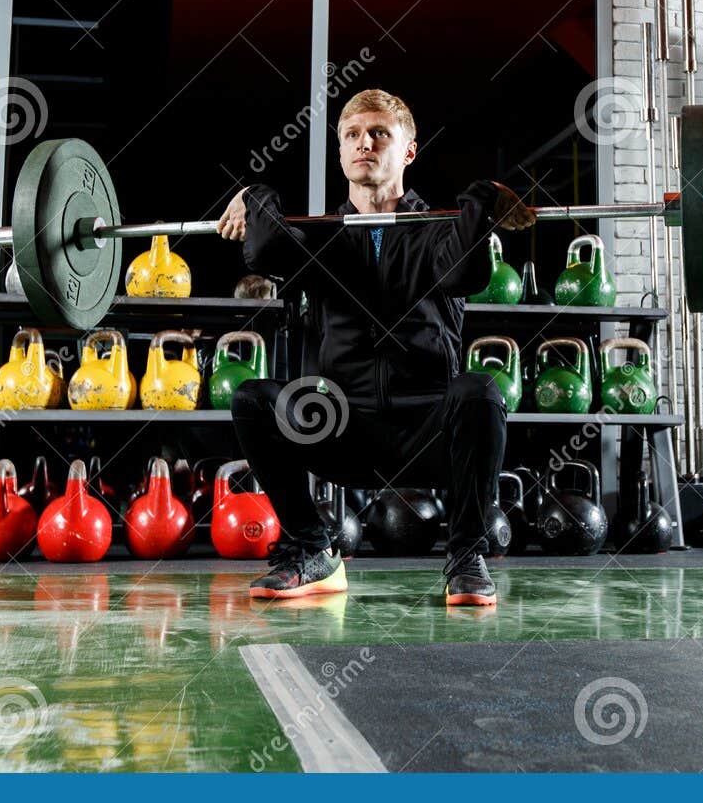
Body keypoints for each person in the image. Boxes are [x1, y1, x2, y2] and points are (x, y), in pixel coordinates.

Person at [217, 89, 532, 606]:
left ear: (408, 151)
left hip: (428, 433)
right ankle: (313, 551)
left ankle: (465, 558)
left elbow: (465, 272)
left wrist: (484, 198)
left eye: (380, 133)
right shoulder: (321, 237)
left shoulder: (439, 232)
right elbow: (265, 249)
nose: (365, 142)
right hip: (340, 427)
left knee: (481, 390)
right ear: (341, 153)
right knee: (253, 398)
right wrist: (255, 195)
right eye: (352, 135)